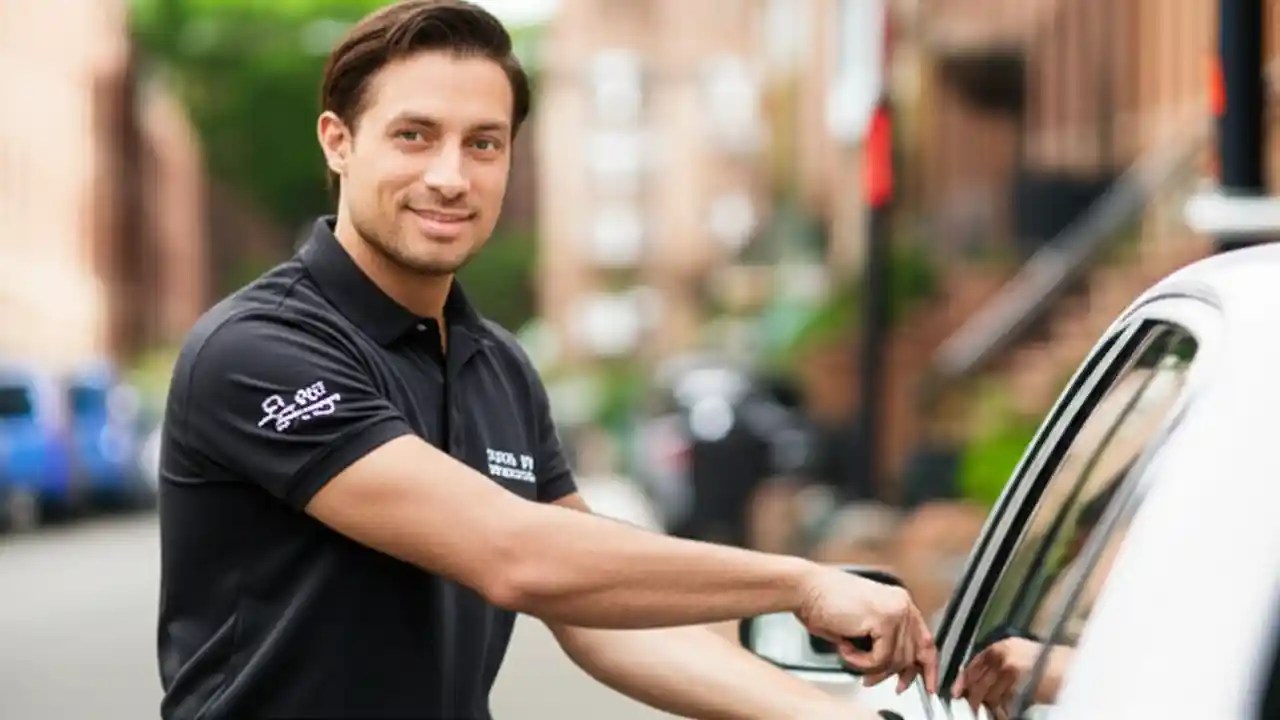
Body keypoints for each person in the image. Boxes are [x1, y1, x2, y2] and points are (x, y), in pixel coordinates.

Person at [155, 2, 938, 718]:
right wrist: (799, 583)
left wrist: (834, 718)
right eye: (414, 135)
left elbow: (599, 615)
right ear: (339, 142)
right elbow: (518, 555)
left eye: (483, 143)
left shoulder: (496, 364)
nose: (450, 177)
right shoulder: (260, 350)